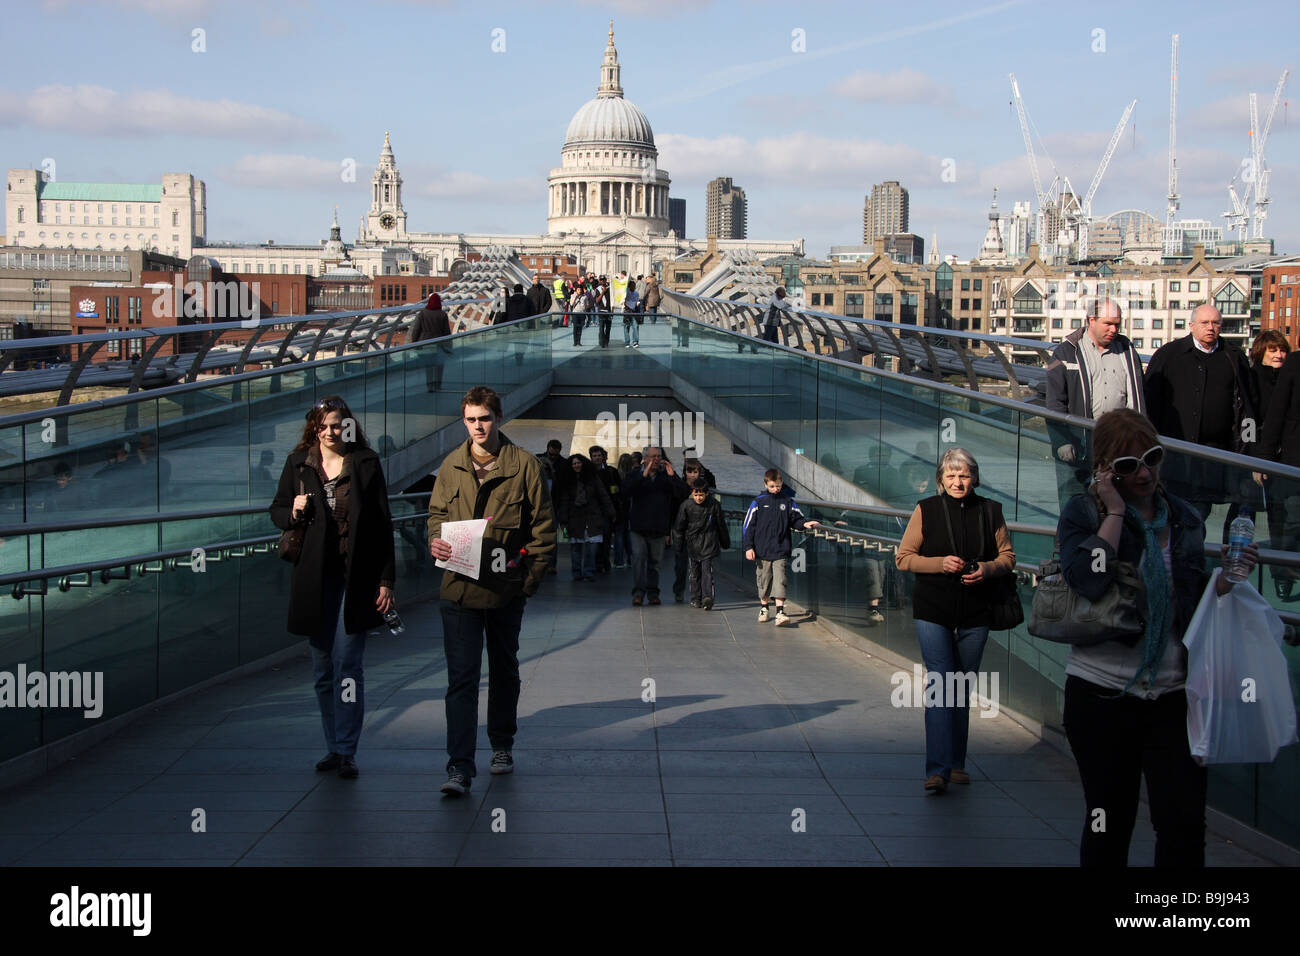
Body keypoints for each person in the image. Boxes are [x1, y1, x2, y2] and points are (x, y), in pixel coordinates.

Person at [1057, 408, 1256, 866]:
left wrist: (1227, 577)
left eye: (1152, 457)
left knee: (1184, 825)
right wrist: (1115, 511)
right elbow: (1088, 579)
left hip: (1173, 695)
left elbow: (1193, 600)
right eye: (1128, 465)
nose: (1144, 473)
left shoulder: (1184, 517)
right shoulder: (1084, 512)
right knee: (1110, 822)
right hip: (1101, 693)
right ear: (1106, 468)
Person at [427, 386, 556, 795]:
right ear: (463, 421)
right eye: (470, 419)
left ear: (498, 417)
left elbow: (543, 531)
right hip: (459, 591)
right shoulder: (451, 466)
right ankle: (459, 767)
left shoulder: (525, 467)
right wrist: (435, 541)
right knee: (461, 680)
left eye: (484, 418)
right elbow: (435, 517)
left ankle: (502, 745)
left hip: (504, 590)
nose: (478, 426)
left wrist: (526, 584)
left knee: (504, 672)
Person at [269, 395, 396, 780]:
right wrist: (293, 510)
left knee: (348, 665)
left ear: (348, 425)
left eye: (336, 424)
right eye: (322, 425)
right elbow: (276, 511)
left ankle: (346, 750)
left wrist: (387, 580)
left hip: (354, 579)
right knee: (323, 668)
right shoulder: (299, 464)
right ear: (314, 428)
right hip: (313, 580)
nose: (329, 432)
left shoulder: (365, 463)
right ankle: (331, 746)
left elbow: (382, 524)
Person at [895, 448, 1015, 793]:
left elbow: (1008, 556)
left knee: (961, 687)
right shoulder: (926, 510)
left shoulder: (991, 511)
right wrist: (939, 563)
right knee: (941, 683)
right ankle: (937, 768)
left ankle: (957, 763)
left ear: (973, 478)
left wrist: (987, 569)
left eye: (963, 476)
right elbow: (904, 558)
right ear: (941, 480)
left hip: (977, 610)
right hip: (933, 608)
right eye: (951, 476)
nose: (957, 482)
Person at [1144, 304, 1257, 529]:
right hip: (1174, 453)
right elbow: (1149, 401)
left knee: (1199, 515)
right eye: (1205, 323)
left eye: (1216, 323)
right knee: (1170, 513)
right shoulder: (1169, 355)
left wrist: (1250, 447)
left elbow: (1248, 406)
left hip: (1214, 455)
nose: (1211, 328)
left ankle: (1191, 557)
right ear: (1191, 325)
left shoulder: (1233, 357)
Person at [1045, 298, 1147, 506]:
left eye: (1117, 324)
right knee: (1074, 505)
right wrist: (1061, 441)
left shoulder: (1127, 351)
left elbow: (1137, 399)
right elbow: (1055, 402)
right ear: (1091, 320)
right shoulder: (1066, 352)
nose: (1114, 329)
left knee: (1117, 506)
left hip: (1118, 446)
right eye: (1108, 323)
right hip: (1079, 446)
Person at [742, 468, 820, 626]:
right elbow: (748, 526)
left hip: (780, 549)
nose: (775, 489)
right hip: (761, 550)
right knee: (764, 581)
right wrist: (748, 547)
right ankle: (764, 607)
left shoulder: (788, 501)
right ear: (766, 484)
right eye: (772, 486)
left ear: (781, 483)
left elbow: (796, 519)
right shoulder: (758, 502)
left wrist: (805, 524)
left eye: (777, 486)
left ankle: (780, 611)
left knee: (780, 580)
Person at [1256, 349, 1300, 601]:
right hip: (1294, 460)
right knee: (1293, 519)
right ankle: (1283, 576)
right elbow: (1277, 411)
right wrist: (1265, 458)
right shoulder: (1295, 363)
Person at [621, 445, 687, 606]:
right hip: (638, 526)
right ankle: (638, 593)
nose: (656, 460)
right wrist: (642, 476)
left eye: (659, 456)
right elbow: (625, 492)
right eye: (653, 456)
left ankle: (652, 593)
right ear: (645, 459)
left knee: (655, 563)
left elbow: (683, 494)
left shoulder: (665, 477)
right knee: (638, 559)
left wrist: (673, 476)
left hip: (659, 526)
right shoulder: (634, 474)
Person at [673, 477, 731, 610]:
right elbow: (679, 527)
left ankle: (707, 597)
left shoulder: (713, 505)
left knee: (706, 572)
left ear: (707, 493)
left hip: (708, 542)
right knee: (694, 573)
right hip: (693, 544)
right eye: (696, 495)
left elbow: (721, 525)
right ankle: (696, 598)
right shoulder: (687, 505)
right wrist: (679, 545)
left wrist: (724, 542)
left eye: (701, 495)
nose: (699, 498)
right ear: (692, 493)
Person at [557, 453, 615, 582]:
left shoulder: (593, 478)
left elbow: (603, 495)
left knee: (592, 547)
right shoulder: (568, 481)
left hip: (592, 516)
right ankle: (577, 572)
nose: (576, 465)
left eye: (578, 463)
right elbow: (565, 500)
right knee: (575, 548)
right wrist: (563, 519)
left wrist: (611, 512)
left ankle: (589, 571)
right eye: (574, 464)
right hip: (575, 517)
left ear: (583, 463)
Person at [409, 292, 452, 392]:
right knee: (439, 366)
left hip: (425, 344)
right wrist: (449, 347)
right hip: (439, 344)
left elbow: (416, 330)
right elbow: (447, 332)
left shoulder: (422, 314)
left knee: (428, 366)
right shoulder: (442, 314)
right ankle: (438, 385)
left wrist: (415, 343)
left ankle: (429, 386)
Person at [589, 445, 622, 572]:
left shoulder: (611, 472)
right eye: (595, 456)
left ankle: (605, 561)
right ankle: (597, 563)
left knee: (606, 537)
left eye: (599, 455)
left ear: (603, 457)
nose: (597, 458)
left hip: (607, 510)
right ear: (591, 458)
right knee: (595, 539)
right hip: (593, 510)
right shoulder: (589, 472)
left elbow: (618, 489)